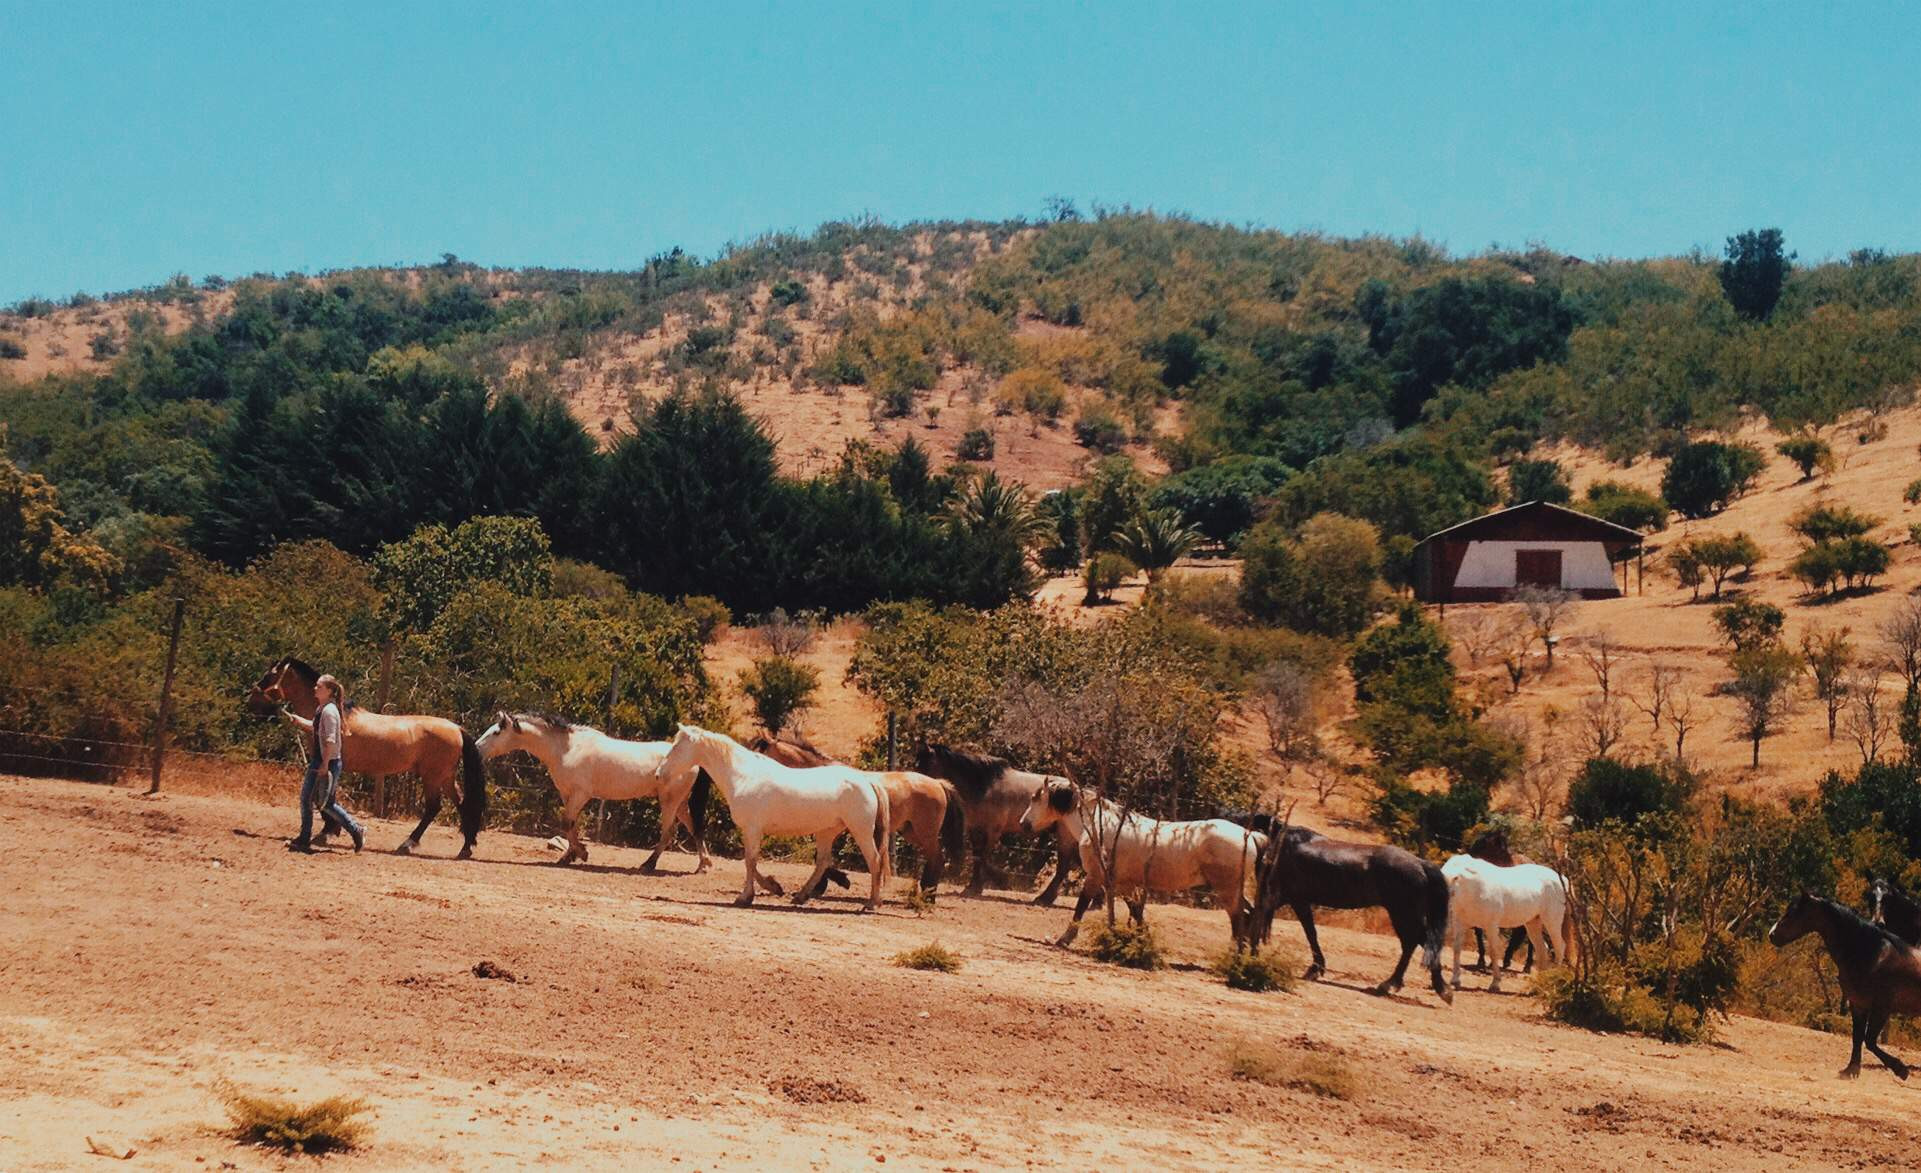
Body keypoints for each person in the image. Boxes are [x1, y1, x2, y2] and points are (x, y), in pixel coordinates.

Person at [282, 673, 364, 853]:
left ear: (329, 691)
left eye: (319, 687)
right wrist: (299, 721)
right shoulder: (323, 709)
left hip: (327, 762)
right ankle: (304, 838)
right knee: (311, 800)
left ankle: (355, 829)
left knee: (324, 803)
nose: (315, 689)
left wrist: (325, 765)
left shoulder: (328, 712)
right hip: (323, 761)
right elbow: (315, 726)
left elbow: (331, 741)